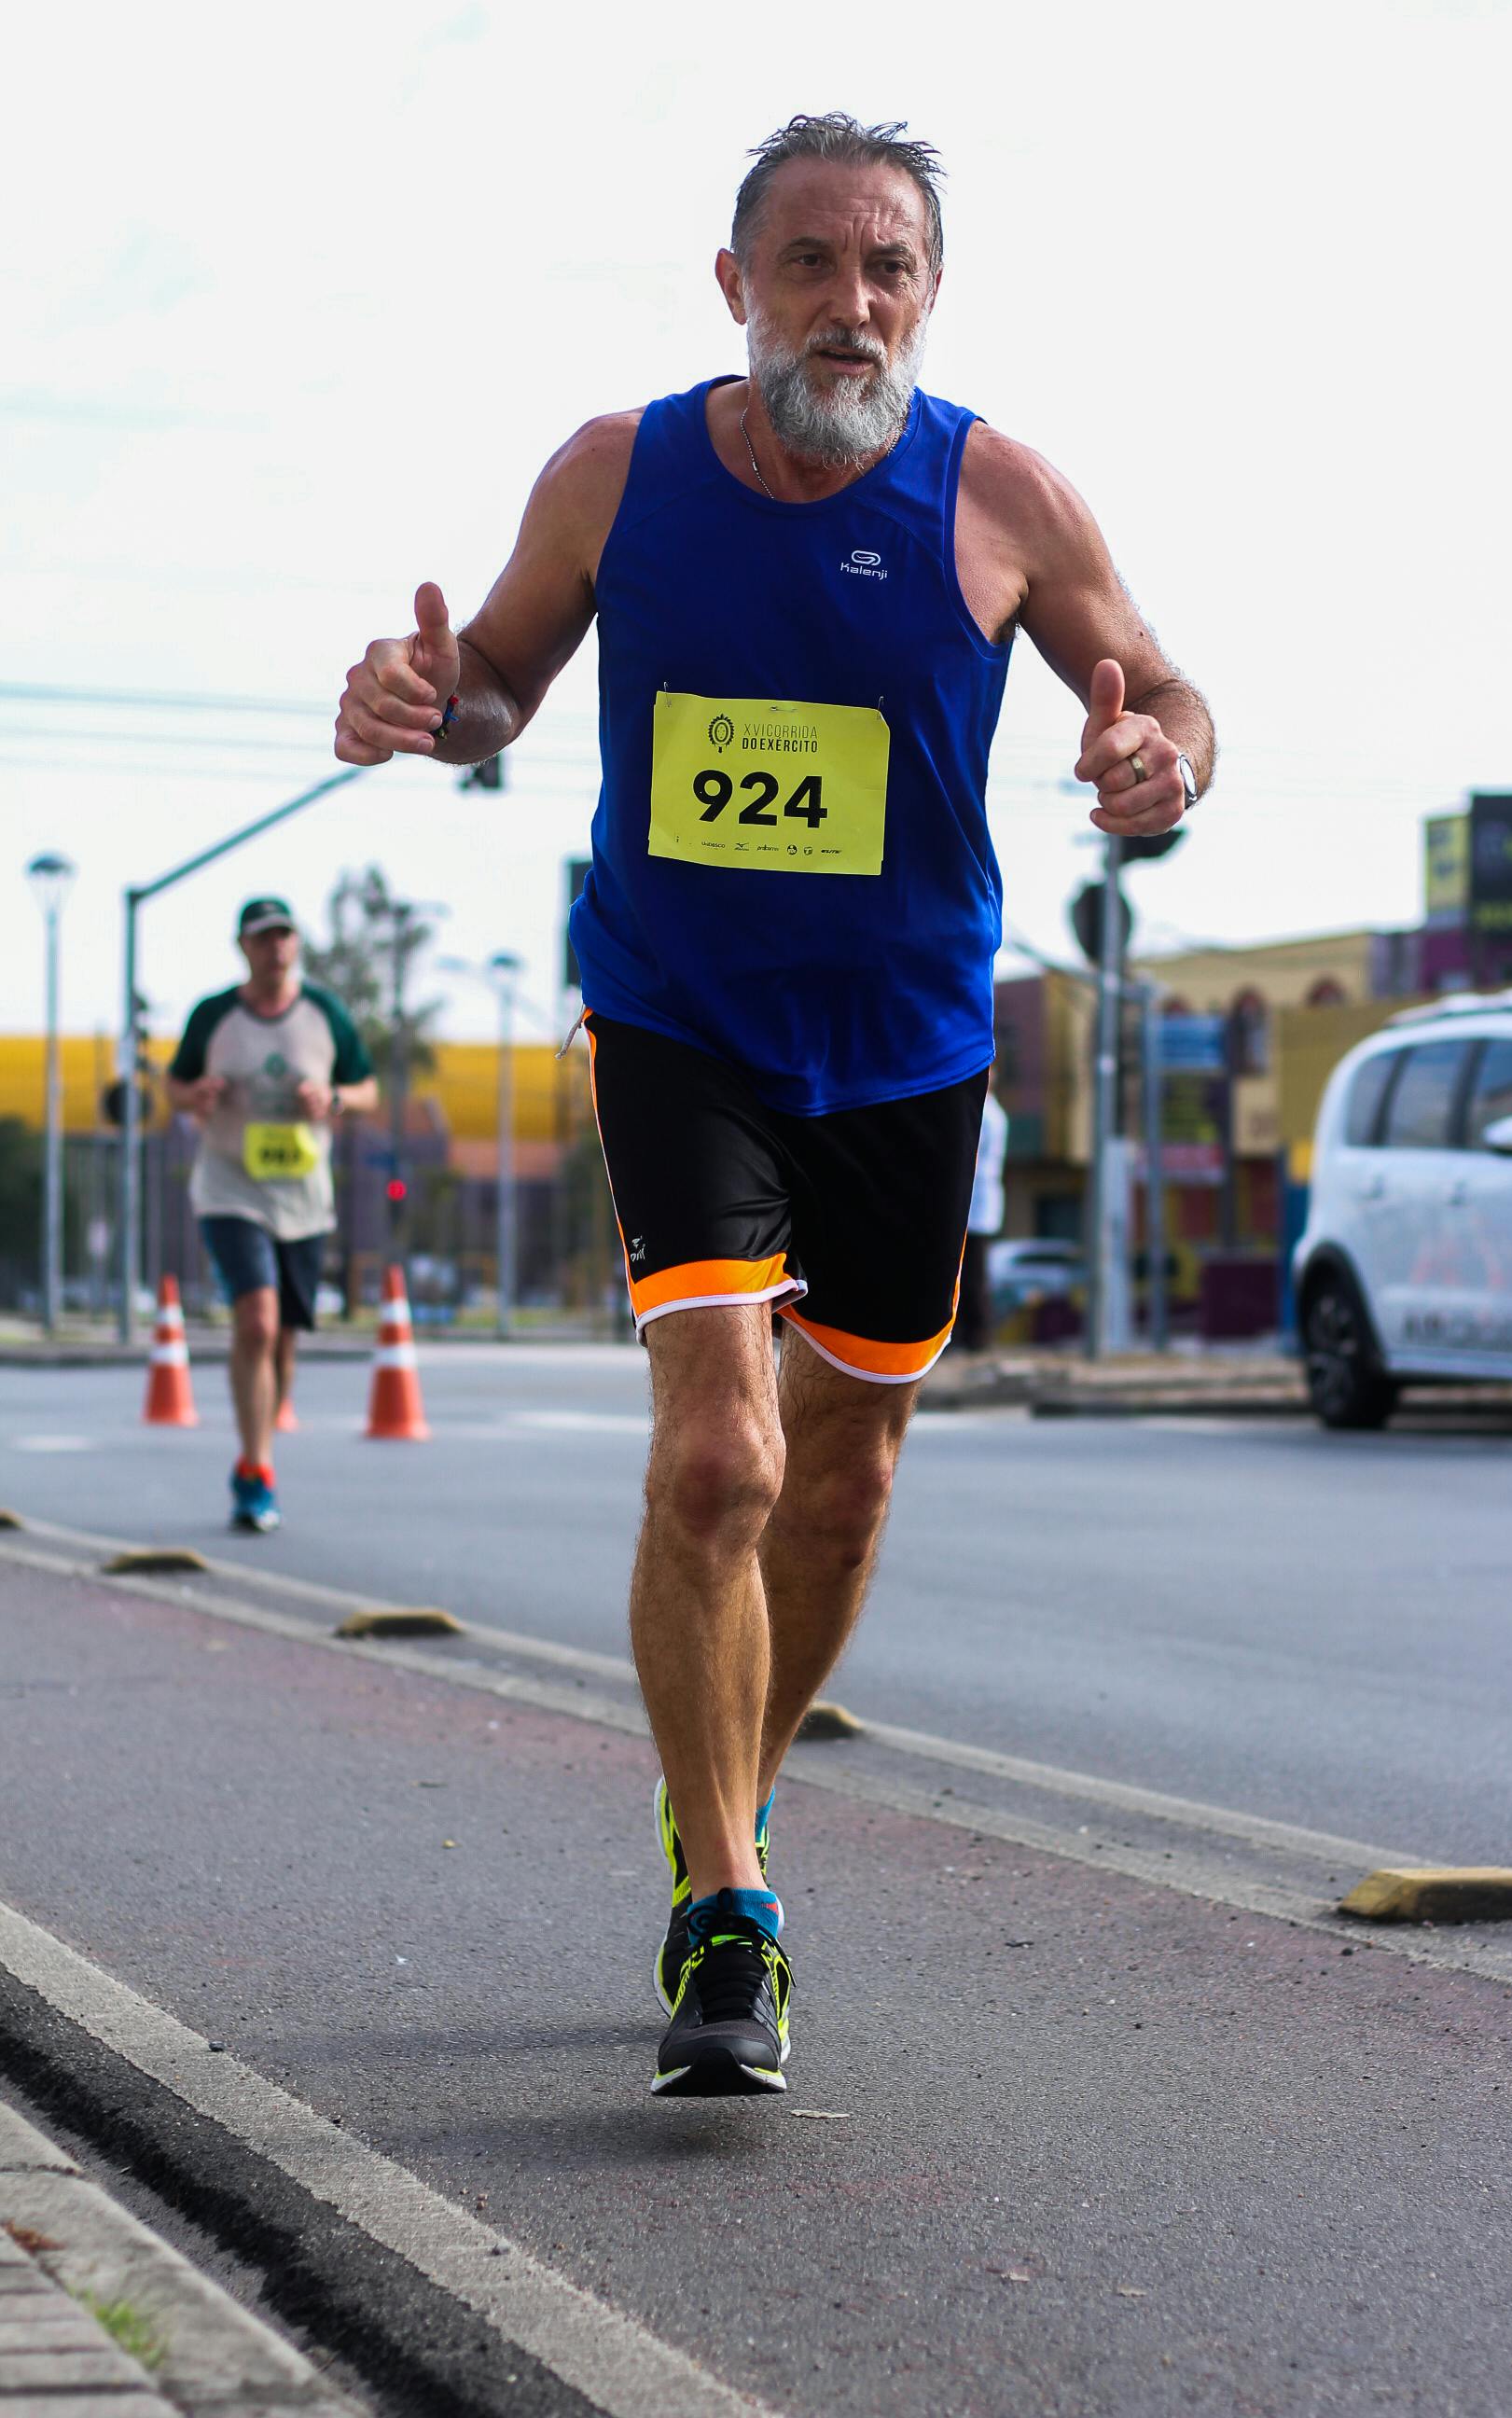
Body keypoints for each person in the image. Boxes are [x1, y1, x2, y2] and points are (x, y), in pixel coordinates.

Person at [334, 113, 1214, 2096]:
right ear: (736, 284)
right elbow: (494, 685)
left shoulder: (1000, 493)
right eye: (809, 261)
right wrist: (423, 701)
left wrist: (1162, 754)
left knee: (845, 1479)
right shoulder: (617, 473)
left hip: (908, 1046)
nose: (850, 302)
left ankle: (721, 1780)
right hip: (680, 1023)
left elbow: (1167, 690)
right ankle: (728, 1900)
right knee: (720, 1460)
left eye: (887, 265)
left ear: (930, 293)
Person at [167, 898, 377, 1534]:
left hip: (303, 1198)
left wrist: (333, 1098)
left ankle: (259, 1452)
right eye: (263, 938)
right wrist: (196, 1093)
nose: (275, 948)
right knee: (256, 1321)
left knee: (283, 1339)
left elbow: (367, 1089)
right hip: (231, 1187)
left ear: (296, 944)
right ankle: (256, 1470)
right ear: (243, 946)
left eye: (284, 936)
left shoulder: (324, 1014)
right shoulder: (214, 1015)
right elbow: (173, 1085)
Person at [956, 1070, 1009, 1355]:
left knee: (972, 1275)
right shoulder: (992, 1113)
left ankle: (976, 1335)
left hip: (976, 1204)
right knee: (969, 1273)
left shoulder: (987, 1114)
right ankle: (970, 1333)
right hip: (977, 1202)